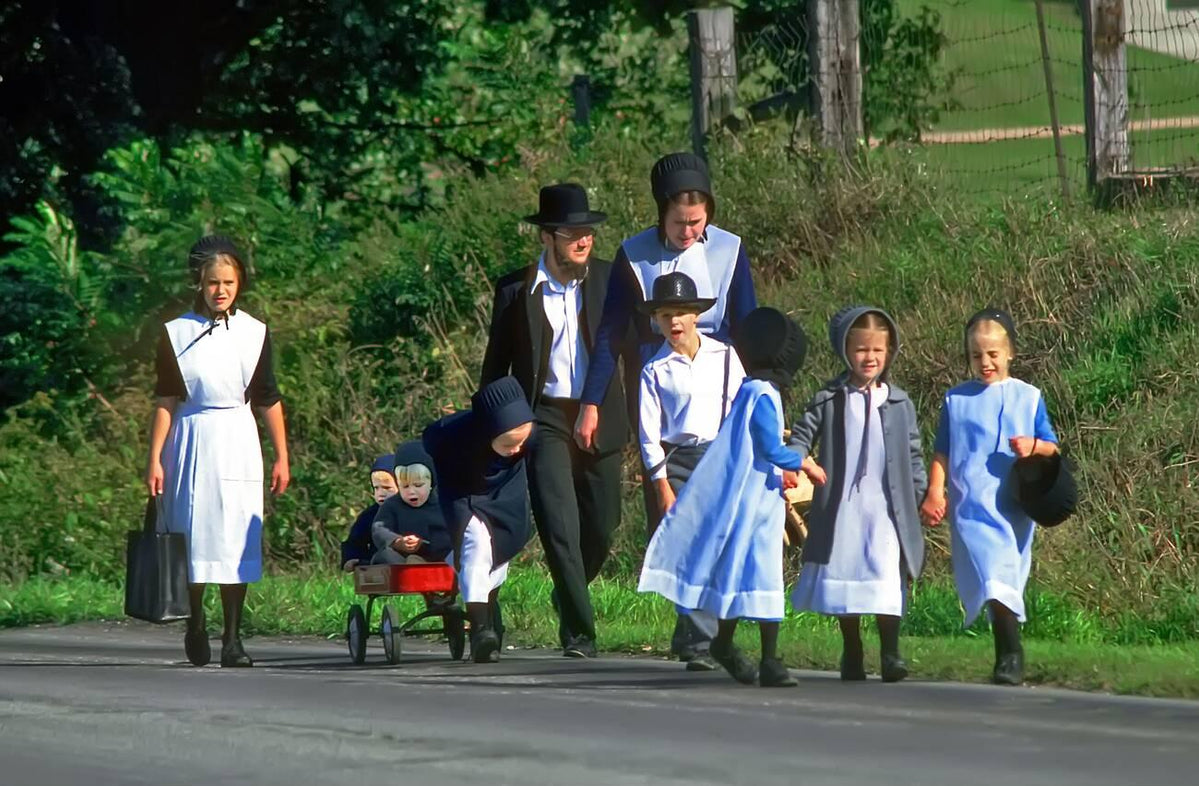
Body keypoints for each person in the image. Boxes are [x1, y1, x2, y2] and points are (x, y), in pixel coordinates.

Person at [575, 151, 758, 666]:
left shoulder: (729, 251)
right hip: (663, 393)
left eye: (697, 222)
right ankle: (697, 633)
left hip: (720, 387)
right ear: (661, 214)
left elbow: (747, 325)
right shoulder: (634, 255)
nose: (688, 232)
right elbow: (611, 333)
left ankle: (696, 636)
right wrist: (592, 402)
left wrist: (763, 400)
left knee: (719, 527)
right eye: (679, 222)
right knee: (676, 521)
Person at [480, 183, 628, 659]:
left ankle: (568, 590)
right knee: (560, 527)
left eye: (588, 232)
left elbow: (635, 351)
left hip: (600, 410)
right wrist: (494, 426)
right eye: (572, 233)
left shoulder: (611, 280)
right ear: (547, 236)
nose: (584, 241)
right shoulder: (515, 289)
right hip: (541, 417)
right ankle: (580, 634)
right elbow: (494, 367)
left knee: (604, 524)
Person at [638, 307, 807, 688]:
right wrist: (803, 463)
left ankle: (729, 645)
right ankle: (768, 659)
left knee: (737, 573)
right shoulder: (764, 393)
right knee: (764, 575)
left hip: (752, 493)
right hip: (758, 500)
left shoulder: (749, 387)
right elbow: (769, 446)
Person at [145, 234, 290, 668]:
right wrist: (154, 458)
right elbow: (167, 400)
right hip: (190, 440)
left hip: (238, 439)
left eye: (228, 282)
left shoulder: (254, 333)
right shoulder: (175, 335)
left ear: (239, 283)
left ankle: (232, 638)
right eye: (212, 283)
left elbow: (267, 396)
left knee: (233, 539)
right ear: (199, 283)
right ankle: (194, 621)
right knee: (192, 535)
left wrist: (282, 455)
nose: (221, 290)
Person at [920, 309, 1061, 686]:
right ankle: (1010, 655)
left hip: (1012, 506)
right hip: (971, 507)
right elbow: (943, 452)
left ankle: (1008, 650)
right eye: (976, 356)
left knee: (1006, 577)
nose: (985, 363)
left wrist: (1034, 445)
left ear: (1010, 352)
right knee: (993, 576)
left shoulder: (1028, 398)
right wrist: (936, 490)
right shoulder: (956, 400)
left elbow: (1053, 448)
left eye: (993, 354)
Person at [787, 306, 927, 683]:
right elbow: (802, 433)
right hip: (843, 506)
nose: (871, 358)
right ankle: (852, 649)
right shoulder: (830, 398)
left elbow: (913, 453)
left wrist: (921, 494)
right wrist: (796, 461)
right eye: (862, 349)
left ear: (890, 352)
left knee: (885, 573)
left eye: (878, 350)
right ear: (845, 350)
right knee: (846, 572)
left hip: (885, 508)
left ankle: (891, 654)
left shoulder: (898, 403)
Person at [637, 271, 745, 668]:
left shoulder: (726, 357)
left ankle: (690, 636)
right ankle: (701, 643)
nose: (675, 323)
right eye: (666, 316)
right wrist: (661, 486)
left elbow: (743, 409)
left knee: (717, 547)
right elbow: (649, 435)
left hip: (720, 457)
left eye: (681, 313)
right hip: (678, 461)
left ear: (696, 316)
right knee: (690, 549)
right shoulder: (654, 369)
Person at [423, 375, 536, 664]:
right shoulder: (452, 435)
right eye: (509, 444)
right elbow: (429, 440)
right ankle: (481, 630)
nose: (517, 450)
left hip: (505, 496)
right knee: (475, 546)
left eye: (521, 443)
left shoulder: (530, 437)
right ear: (487, 433)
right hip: (462, 495)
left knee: (497, 555)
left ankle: (485, 615)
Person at [371, 441, 452, 564]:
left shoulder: (442, 504)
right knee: (384, 556)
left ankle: (421, 564)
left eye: (418, 485)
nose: (411, 491)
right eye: (405, 486)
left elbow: (449, 534)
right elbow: (379, 529)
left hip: (437, 557)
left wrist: (423, 544)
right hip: (403, 558)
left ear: (431, 483)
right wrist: (397, 541)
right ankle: (412, 567)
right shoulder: (392, 505)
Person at [339, 455, 397, 571]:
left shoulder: (414, 511)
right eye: (376, 488)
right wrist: (351, 558)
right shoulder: (371, 514)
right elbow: (356, 540)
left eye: (387, 488)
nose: (381, 493)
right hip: (378, 566)